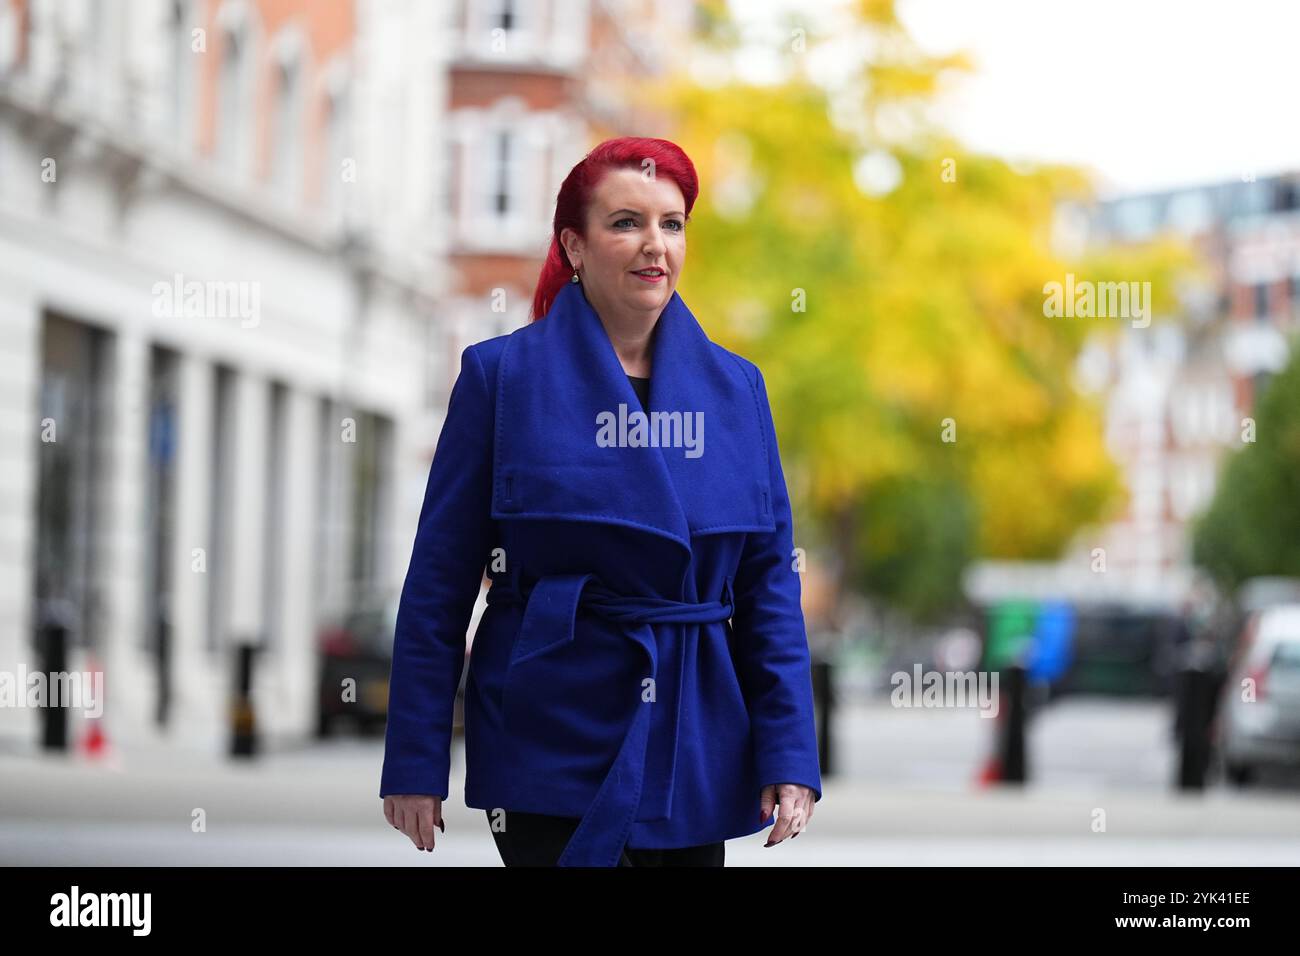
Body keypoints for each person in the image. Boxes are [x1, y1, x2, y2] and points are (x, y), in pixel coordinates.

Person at [380, 136, 822, 867]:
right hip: (547, 726)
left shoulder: (738, 391)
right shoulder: (501, 379)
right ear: (574, 247)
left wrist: (790, 755)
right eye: (626, 222)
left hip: (692, 728)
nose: (655, 245)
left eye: (672, 224)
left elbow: (769, 587)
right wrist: (415, 763)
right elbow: (438, 584)